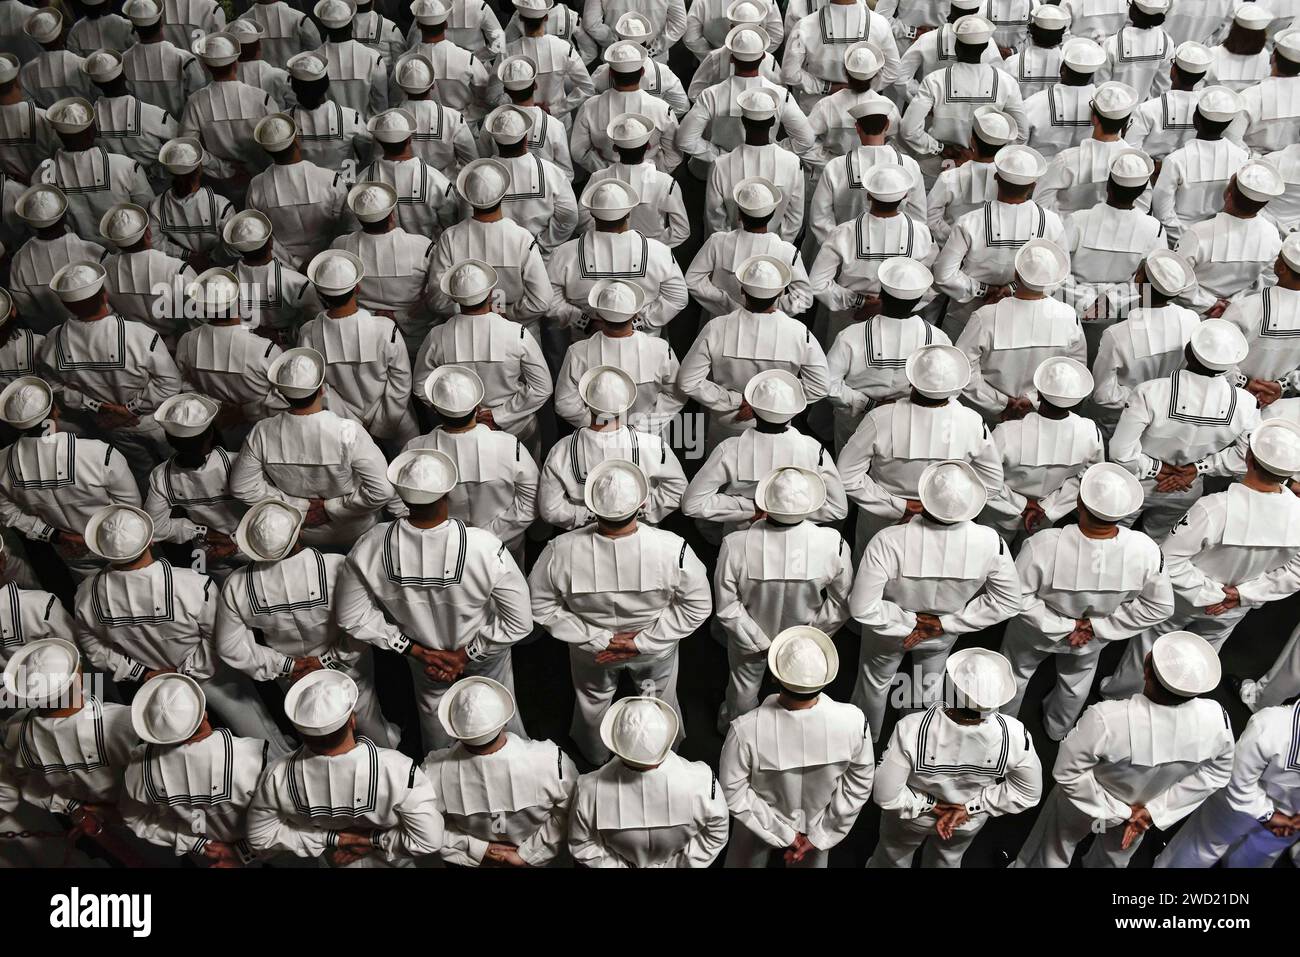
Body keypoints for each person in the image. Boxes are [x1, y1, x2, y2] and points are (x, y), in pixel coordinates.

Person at [337, 448, 532, 752]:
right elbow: (520, 622)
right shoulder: (484, 546)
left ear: (401, 497)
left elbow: (351, 616)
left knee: (435, 721)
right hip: (484, 651)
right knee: (500, 711)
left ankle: (440, 779)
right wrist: (466, 655)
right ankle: (517, 764)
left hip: (423, 657)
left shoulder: (370, 544)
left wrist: (414, 649)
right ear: (448, 494)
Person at [1103, 419, 1300, 698]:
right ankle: (1176, 704)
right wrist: (1241, 595)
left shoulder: (1216, 508)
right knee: (1201, 658)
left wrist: (1213, 593)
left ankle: (1119, 696)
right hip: (1234, 607)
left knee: (1151, 644)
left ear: (1248, 458)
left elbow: (1168, 561)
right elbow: (1295, 573)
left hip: (1185, 598)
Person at [531, 459, 711, 762]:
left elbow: (540, 605)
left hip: (592, 652)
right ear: (643, 503)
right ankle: (663, 752)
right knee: (656, 698)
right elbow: (698, 605)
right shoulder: (673, 549)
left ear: (592, 507)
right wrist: (641, 642)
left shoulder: (558, 550)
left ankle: (595, 754)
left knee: (593, 700)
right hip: (654, 650)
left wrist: (600, 639)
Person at [1013, 630, 1234, 867]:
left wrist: (1121, 812)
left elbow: (1067, 773)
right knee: (1112, 859)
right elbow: (1217, 773)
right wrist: (1153, 812)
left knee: (1053, 850)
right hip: (1142, 814)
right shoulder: (1217, 720)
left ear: (1146, 668)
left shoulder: (1106, 719)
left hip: (1087, 804)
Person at [849, 459, 1022, 741]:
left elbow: (861, 607)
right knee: (927, 685)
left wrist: (908, 621)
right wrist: (943, 623)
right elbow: (1008, 602)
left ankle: (865, 741)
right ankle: (916, 742)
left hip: (887, 629)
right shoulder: (991, 541)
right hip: (943, 634)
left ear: (923, 499)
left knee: (874, 683)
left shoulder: (888, 540)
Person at [1000, 462, 1173, 739]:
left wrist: (1064, 626)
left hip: (1036, 630)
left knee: (1016, 674)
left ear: (1079, 502)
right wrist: (1095, 628)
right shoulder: (1146, 550)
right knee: (1075, 683)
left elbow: (1016, 598)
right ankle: (1058, 730)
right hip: (1092, 636)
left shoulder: (1042, 545)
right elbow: (1161, 606)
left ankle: (1003, 731)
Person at [214, 497, 397, 747]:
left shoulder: (237, 585)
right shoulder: (338, 566)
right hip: (347, 663)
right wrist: (328, 659)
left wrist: (287, 665)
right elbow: (361, 624)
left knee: (314, 725)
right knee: (365, 714)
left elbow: (229, 646)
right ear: (298, 532)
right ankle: (387, 755)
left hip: (290, 674)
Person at [246, 670, 445, 866]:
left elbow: (259, 837)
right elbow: (429, 840)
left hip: (336, 859)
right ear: (352, 720)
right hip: (395, 860)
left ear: (301, 732)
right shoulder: (398, 770)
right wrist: (371, 841)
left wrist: (334, 839)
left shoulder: (276, 776)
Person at [869, 648, 1042, 867]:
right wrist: (971, 807)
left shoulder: (912, 728)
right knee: (946, 861)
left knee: (893, 857)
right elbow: (1028, 792)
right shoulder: (1016, 735)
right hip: (965, 821)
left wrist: (931, 804)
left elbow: (886, 796)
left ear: (950, 687)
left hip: (913, 817)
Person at [720, 626, 874, 867]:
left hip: (756, 824)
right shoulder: (854, 722)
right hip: (819, 823)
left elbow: (733, 792)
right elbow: (859, 785)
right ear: (824, 681)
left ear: (774, 676)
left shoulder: (744, 729)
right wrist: (822, 834)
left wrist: (782, 833)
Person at [713, 470, 853, 726]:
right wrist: (810, 634)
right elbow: (841, 602)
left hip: (750, 634)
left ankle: (733, 730)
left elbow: (727, 606)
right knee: (803, 690)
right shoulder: (834, 544)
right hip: (805, 636)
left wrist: (759, 641)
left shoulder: (734, 544)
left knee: (743, 689)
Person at [836, 343, 1003, 556]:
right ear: (954, 386)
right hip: (944, 525)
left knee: (871, 569)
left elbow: (846, 476)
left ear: (911, 380)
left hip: (883, 519)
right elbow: (993, 482)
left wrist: (898, 506)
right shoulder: (972, 422)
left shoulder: (881, 419)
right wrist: (943, 509)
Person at [1108, 318, 1260, 543]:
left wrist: (1156, 468)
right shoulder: (1246, 404)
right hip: (1186, 488)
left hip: (1134, 482)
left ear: (1188, 352)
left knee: (1116, 540)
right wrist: (1197, 469)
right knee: (1159, 542)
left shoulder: (1150, 392)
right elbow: (1246, 456)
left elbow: (1120, 452)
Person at [229, 347, 395, 549]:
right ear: (323, 389)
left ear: (282, 394)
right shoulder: (349, 431)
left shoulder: (262, 432)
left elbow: (241, 487)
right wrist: (331, 508)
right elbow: (383, 491)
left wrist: (297, 508)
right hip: (355, 529)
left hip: (303, 532)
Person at [38, 260, 182, 489]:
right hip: (155, 421)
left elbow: (53, 388)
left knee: (141, 472)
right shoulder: (140, 335)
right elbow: (170, 384)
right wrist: (128, 410)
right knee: (178, 467)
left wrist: (98, 407)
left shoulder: (51, 342)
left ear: (67, 305)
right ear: (105, 295)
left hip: (109, 425)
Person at [678, 255, 829, 451]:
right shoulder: (800, 333)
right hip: (777, 424)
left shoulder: (715, 328)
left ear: (742, 290)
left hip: (730, 419)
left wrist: (733, 399)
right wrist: (770, 404)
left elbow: (688, 381)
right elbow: (820, 386)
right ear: (781, 292)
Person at [0, 638, 138, 851]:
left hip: (89, 825)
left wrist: (75, 809)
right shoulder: (126, 722)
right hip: (149, 825)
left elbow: (28, 784)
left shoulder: (14, 729)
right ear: (78, 675)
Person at [424, 677, 578, 868]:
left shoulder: (433, 772)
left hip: (474, 862)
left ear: (454, 730)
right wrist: (528, 854)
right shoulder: (552, 762)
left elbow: (424, 828)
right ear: (504, 722)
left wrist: (479, 849)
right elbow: (569, 814)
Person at [119, 673, 266, 867]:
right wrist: (240, 852)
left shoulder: (138, 771)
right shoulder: (251, 756)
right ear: (204, 713)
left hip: (207, 858)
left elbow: (133, 818)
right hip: (262, 856)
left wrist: (197, 844)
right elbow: (285, 822)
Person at [0, 376, 139, 581]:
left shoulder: (1, 463)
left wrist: (55, 535)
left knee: (91, 601)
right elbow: (132, 506)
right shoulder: (99, 454)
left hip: (70, 549)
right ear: (56, 410)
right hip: (119, 542)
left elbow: (7, 512)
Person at [568, 696, 729, 868]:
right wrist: (680, 865)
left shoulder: (587, 790)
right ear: (667, 735)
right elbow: (717, 833)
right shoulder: (702, 781)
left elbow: (581, 844)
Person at [404, 364, 540, 565]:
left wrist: (449, 537)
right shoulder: (511, 447)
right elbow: (531, 503)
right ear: (478, 408)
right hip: (503, 544)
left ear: (433, 408)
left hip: (445, 548)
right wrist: (491, 534)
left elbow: (401, 502)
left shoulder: (413, 451)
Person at [683, 372, 846, 538]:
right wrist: (785, 512)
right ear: (794, 412)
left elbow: (692, 505)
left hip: (742, 532)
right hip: (793, 535)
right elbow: (838, 509)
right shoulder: (814, 450)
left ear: (751, 410)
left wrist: (750, 507)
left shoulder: (729, 450)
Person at [416, 258, 552, 455]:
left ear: (454, 298)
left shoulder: (436, 336)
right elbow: (542, 387)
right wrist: (500, 415)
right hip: (515, 427)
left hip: (459, 430)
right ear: (490, 294)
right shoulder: (517, 333)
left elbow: (421, 386)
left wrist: (458, 411)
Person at [932, 144, 1066, 340]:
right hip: (1022, 318)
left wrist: (984, 290)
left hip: (965, 316)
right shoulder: (1052, 222)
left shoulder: (970, 222)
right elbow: (1059, 275)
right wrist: (1013, 289)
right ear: (1034, 186)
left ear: (996, 178)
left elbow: (943, 275)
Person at [955, 239, 1087, 423]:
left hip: (986, 415)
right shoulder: (1069, 317)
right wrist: (1032, 399)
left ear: (1016, 275)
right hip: (1039, 412)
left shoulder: (985, 316)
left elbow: (961, 368)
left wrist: (1000, 402)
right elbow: (1075, 368)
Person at [1155, 699, 1300, 867]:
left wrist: (1267, 815)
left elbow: (1238, 781)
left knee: (1204, 845)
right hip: (1292, 819)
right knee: (1258, 855)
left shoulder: (1272, 725)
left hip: (1238, 807)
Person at [824, 257, 949, 453]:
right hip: (908, 426)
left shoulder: (850, 336)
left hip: (855, 423)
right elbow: (948, 388)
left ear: (881, 294)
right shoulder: (938, 339)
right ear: (918, 301)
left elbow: (827, 384)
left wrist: (867, 403)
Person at [298, 249, 417, 448]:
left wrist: (355, 424)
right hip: (396, 419)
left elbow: (318, 387)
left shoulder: (308, 333)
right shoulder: (386, 329)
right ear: (358, 288)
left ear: (319, 294)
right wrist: (383, 423)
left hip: (343, 426)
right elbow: (402, 380)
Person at [809, 163, 936, 346]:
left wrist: (859, 301)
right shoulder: (923, 234)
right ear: (906, 196)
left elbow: (817, 283)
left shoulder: (843, 233)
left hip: (850, 319)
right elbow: (933, 283)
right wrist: (895, 305)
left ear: (868, 195)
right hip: (900, 322)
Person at [548, 178, 689, 340]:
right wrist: (636, 323)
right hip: (645, 343)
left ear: (592, 213)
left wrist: (584, 321)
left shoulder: (564, 253)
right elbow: (677, 298)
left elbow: (550, 299)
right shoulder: (659, 252)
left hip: (586, 341)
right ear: (629, 212)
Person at [983, 357, 1105, 542]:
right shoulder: (1090, 433)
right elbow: (1088, 479)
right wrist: (1047, 506)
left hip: (1001, 513)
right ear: (1078, 402)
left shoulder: (1006, 433)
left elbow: (985, 479)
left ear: (1038, 395)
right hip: (1046, 515)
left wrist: (1023, 504)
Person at [898, 15, 1029, 187]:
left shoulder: (935, 80)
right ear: (985, 48)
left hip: (936, 167)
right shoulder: (1006, 82)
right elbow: (1021, 134)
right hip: (985, 174)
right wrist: (983, 154)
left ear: (957, 46)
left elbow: (909, 129)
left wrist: (941, 149)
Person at [426, 162, 552, 339]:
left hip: (464, 334)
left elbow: (437, 300)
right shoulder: (522, 238)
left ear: (467, 197)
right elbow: (542, 300)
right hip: (515, 334)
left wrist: (470, 309)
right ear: (503, 194)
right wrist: (507, 314)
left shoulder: (450, 238)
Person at [1061, 150, 1166, 359]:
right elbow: (1152, 284)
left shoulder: (1078, 220)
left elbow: (1058, 273)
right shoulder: (1153, 228)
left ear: (1108, 185)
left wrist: (1086, 301)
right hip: (1123, 315)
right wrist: (1111, 301)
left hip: (1073, 308)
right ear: (1143, 191)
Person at [174, 253, 290, 439]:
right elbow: (286, 397)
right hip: (265, 428)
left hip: (216, 424)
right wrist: (246, 412)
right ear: (237, 300)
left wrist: (214, 406)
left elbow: (184, 384)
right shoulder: (266, 351)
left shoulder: (186, 342)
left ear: (203, 308)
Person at [677, 25, 816, 175]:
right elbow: (806, 140)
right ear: (763, 57)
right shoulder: (782, 96)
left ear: (731, 58)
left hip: (723, 170)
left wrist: (720, 155)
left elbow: (685, 140)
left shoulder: (710, 95)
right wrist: (772, 151)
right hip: (765, 169)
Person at [1089, 248, 1199, 436]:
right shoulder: (1192, 319)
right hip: (1169, 418)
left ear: (1138, 280)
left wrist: (1143, 399)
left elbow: (1102, 395)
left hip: (1121, 421)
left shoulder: (1116, 335)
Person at [554, 279, 685, 435]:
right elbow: (677, 395)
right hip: (649, 438)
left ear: (598, 314)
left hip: (599, 437)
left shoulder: (577, 352)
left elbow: (564, 403)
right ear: (636, 314)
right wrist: (645, 428)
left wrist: (599, 425)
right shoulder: (661, 350)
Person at [325, 181, 434, 358]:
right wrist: (400, 316)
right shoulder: (423, 247)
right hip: (415, 337)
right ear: (392, 215)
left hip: (363, 337)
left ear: (359, 218)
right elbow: (435, 296)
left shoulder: (340, 246)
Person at [144, 391, 243, 579]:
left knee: (210, 590)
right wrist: (233, 540)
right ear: (211, 433)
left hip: (204, 551)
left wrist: (200, 531)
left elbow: (154, 528)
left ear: (170, 440)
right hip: (250, 545)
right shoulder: (238, 463)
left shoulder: (161, 476)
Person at [684, 178, 813, 321]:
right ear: (772, 215)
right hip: (765, 325)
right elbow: (805, 297)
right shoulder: (788, 252)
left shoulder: (717, 242)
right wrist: (770, 307)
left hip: (721, 321)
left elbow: (692, 280)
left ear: (739, 215)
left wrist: (725, 302)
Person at [35, 97, 153, 241]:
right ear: (93, 131)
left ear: (58, 135)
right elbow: (148, 216)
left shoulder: (43, 174)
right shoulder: (126, 167)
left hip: (77, 258)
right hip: (124, 254)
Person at [1177, 161, 1286, 316]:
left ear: (1228, 193)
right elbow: (1269, 279)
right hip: (1235, 313)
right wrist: (1233, 303)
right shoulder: (1273, 236)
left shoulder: (1198, 234)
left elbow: (1176, 278)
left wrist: (1211, 304)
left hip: (1189, 312)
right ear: (1264, 203)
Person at [1149, 86, 1248, 246]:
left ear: (1195, 119)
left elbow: (1162, 213)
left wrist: (1188, 238)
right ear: (1228, 123)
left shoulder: (1176, 160)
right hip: (1218, 240)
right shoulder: (1241, 158)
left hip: (1176, 241)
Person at [245, 113, 346, 269]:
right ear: (297, 141)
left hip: (282, 265)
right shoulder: (331, 180)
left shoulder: (256, 186)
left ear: (266, 151)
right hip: (332, 262)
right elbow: (343, 226)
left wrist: (296, 263)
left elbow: (259, 235)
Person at [180, 32, 279, 190]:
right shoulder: (262, 99)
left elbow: (187, 148)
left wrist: (222, 167)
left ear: (206, 66)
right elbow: (278, 141)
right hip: (263, 179)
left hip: (219, 184)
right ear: (236, 63)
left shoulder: (195, 101)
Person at [473, 108, 577, 257]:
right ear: (526, 139)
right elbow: (569, 218)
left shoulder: (478, 177)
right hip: (541, 258)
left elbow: (470, 220)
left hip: (492, 256)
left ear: (495, 141)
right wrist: (540, 245)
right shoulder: (552, 173)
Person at [706, 88, 804, 241]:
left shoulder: (720, 165)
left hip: (732, 248)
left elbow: (715, 219)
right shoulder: (793, 163)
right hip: (775, 248)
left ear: (743, 121)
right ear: (772, 122)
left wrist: (728, 247)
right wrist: (777, 246)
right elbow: (794, 218)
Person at [1037, 82, 1147, 215]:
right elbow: (1142, 209)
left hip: (1066, 232)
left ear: (1094, 118)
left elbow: (1040, 207)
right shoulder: (1139, 165)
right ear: (1126, 122)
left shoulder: (1066, 161)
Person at [571, 41, 681, 174]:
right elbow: (674, 155)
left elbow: (578, 151)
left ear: (610, 73)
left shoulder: (589, 107)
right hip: (649, 177)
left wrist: (606, 171)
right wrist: (653, 172)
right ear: (642, 72)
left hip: (606, 180)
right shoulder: (662, 109)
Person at [781, 0, 901, 116]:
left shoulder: (804, 26)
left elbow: (789, 73)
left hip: (816, 109)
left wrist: (826, 87)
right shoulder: (881, 23)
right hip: (863, 112)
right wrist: (862, 86)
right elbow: (893, 71)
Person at [1222, 233, 1300, 408]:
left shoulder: (1245, 307)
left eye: (1279, 257)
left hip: (1228, 400)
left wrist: (1245, 383)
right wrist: (1282, 386)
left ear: (1281, 268)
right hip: (1277, 404)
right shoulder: (1245, 306)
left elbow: (1217, 354)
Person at [356, 109, 457, 241]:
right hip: (428, 256)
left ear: (379, 143)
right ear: (409, 139)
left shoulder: (361, 182)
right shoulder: (437, 182)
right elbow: (451, 228)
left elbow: (354, 228)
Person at [98, 202, 195, 339]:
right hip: (179, 342)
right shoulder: (178, 270)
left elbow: (109, 313)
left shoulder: (105, 270)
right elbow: (197, 315)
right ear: (149, 233)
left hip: (136, 341)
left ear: (115, 242)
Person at [82, 49, 176, 189]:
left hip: (117, 188)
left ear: (95, 84)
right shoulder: (154, 114)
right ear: (124, 76)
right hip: (160, 187)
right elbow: (181, 144)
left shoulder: (87, 121)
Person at [925, 106, 1016, 248]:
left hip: (950, 248)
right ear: (1004, 146)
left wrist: (956, 240)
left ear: (972, 141)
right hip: (993, 252)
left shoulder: (948, 178)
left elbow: (930, 217)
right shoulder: (1011, 181)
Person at [890, 0, 1002, 104]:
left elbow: (901, 78)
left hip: (930, 113)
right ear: (977, 11)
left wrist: (925, 99)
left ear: (950, 11)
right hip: (973, 115)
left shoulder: (927, 39)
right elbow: (998, 83)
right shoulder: (989, 44)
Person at [505, 0, 594, 126]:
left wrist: (520, 105)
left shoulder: (509, 52)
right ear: (546, 17)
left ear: (521, 18)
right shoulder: (564, 46)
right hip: (559, 118)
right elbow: (588, 87)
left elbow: (493, 94)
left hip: (520, 121)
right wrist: (556, 110)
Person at [150, 137, 235, 267]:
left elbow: (154, 242)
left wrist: (186, 256)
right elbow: (232, 245)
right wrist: (210, 259)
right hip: (217, 268)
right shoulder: (221, 206)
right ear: (200, 170)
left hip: (178, 267)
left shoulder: (156, 206)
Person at [1125, 39, 1213, 162]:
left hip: (1147, 173)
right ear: (1202, 76)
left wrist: (1155, 167)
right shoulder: (1208, 111)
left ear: (1173, 71)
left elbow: (1130, 149)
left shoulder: (1146, 110)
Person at [391, 55, 480, 176]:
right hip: (448, 187)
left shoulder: (390, 118)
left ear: (402, 88)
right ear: (432, 85)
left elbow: (380, 161)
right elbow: (471, 162)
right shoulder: (453, 118)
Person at [285, 51, 372, 172]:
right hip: (345, 185)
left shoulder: (284, 122)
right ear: (326, 84)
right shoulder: (351, 118)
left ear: (294, 88)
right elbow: (369, 151)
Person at [487, 56, 574, 176]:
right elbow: (567, 173)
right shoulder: (555, 126)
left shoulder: (490, 124)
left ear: (505, 90)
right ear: (535, 86)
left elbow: (485, 164)